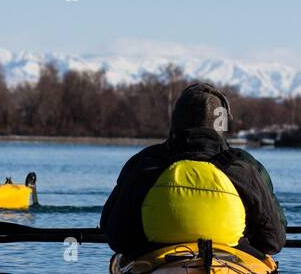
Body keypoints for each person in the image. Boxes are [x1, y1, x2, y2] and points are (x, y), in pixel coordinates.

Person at [100, 82, 286, 259]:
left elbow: (115, 234)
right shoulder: (245, 167)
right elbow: (273, 241)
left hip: (157, 259)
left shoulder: (145, 163)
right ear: (222, 124)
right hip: (230, 263)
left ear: (176, 121)